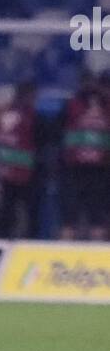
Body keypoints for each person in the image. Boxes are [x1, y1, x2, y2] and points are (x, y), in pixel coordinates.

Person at [59, 74, 110, 240]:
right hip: (76, 166)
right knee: (72, 210)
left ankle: (97, 248)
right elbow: (63, 134)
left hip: (99, 168)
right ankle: (66, 245)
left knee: (96, 209)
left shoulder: (106, 106)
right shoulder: (72, 105)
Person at [0, 82, 41, 238]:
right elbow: (38, 138)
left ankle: (4, 239)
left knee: (8, 209)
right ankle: (28, 240)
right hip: (25, 171)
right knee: (27, 209)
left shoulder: (2, 112)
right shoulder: (30, 114)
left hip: (6, 169)